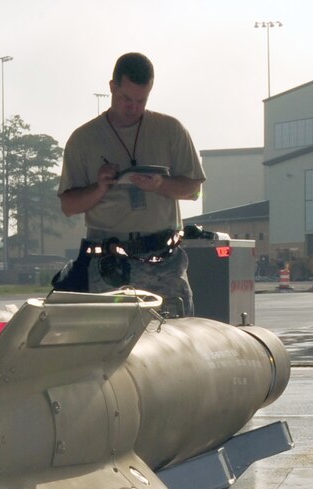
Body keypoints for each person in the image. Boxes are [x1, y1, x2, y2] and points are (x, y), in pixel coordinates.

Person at [55, 52, 205, 317]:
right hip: (108, 267)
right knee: (106, 346)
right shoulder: (84, 140)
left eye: (141, 100)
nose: (133, 107)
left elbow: (192, 188)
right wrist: (99, 187)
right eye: (126, 98)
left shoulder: (171, 130)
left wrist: (160, 184)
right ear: (112, 87)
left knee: (177, 339)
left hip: (164, 262)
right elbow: (68, 205)